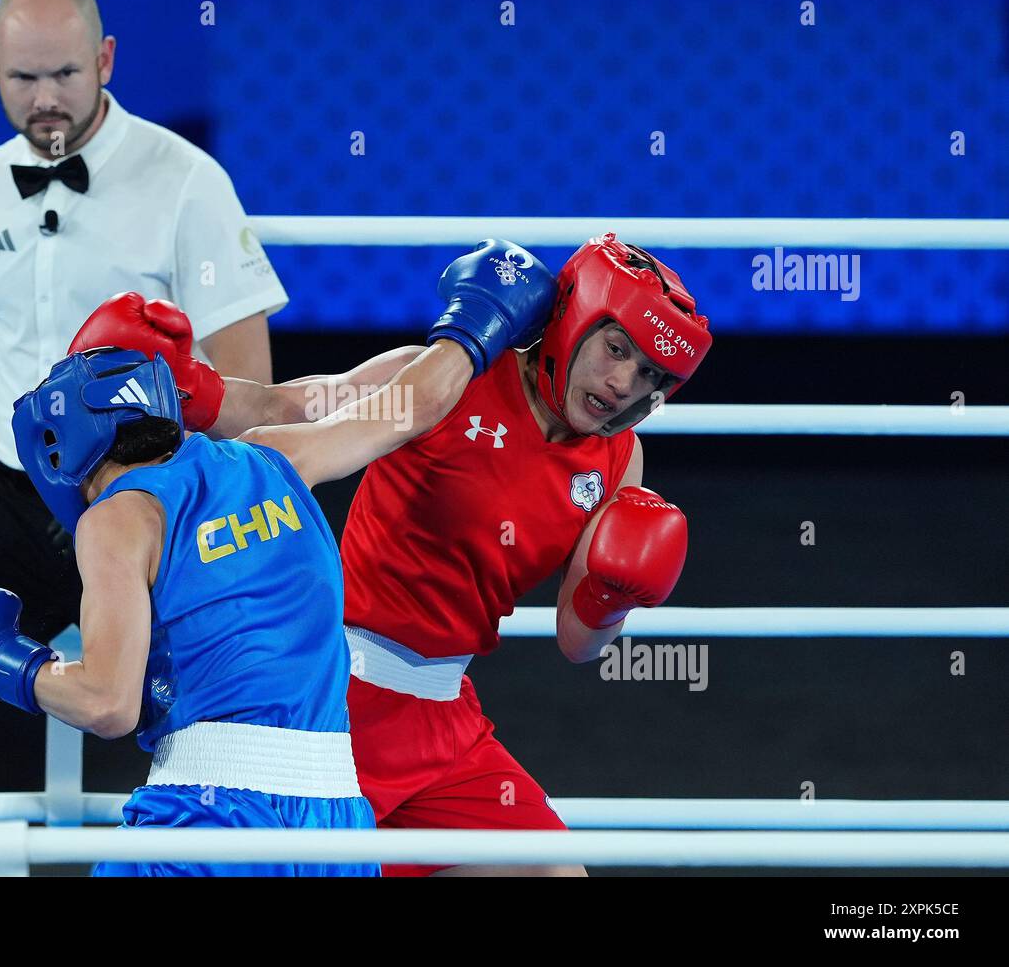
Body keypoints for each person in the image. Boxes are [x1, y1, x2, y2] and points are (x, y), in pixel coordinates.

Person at [0, 238, 554, 875]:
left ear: (61, 453)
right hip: (337, 827)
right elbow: (411, 405)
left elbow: (106, 702)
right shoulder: (276, 457)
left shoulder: (117, 518)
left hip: (208, 815)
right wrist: (475, 325)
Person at [82, 233, 713, 876]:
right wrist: (173, 386)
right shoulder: (445, 377)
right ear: (574, 319)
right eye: (616, 349)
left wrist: (614, 596)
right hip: (334, 703)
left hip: (445, 723)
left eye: (652, 376)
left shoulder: (620, 459)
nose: (624, 384)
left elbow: (578, 642)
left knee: (554, 872)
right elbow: (283, 412)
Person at [0, 0, 285, 874]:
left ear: (107, 61)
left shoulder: (186, 183)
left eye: (66, 76)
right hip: (7, 504)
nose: (46, 100)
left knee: (208, 736)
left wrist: (177, 519)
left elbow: (247, 382)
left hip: (154, 511)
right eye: (24, 79)